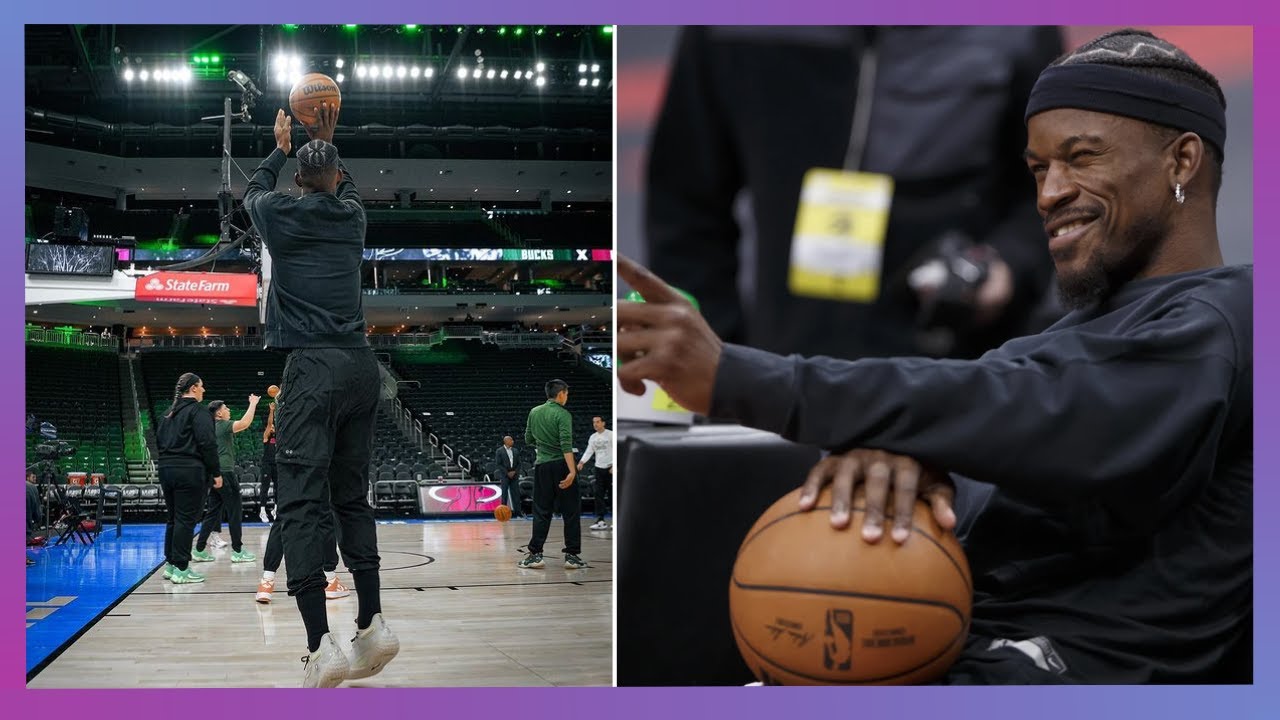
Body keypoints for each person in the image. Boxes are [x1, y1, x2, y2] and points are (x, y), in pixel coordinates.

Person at [617, 29, 1250, 684]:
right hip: (957, 654)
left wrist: (741, 376)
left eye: (1081, 158)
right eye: (1038, 169)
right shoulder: (1066, 338)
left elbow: (1032, 407)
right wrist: (918, 469)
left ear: (1181, 162)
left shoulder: (1234, 316)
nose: (1049, 193)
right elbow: (1011, 417)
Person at [646, 27, 1063, 361]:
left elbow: (1052, 186)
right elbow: (684, 202)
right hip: (780, 367)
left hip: (959, 363)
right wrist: (719, 356)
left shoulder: (1015, 28)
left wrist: (1007, 264)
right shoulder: (729, 26)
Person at [244, 102, 398, 687]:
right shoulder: (353, 216)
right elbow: (346, 182)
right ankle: (373, 621)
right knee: (351, 498)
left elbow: (253, 190)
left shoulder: (279, 212)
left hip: (310, 368)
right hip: (362, 367)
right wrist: (329, 141)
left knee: (302, 507)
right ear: (336, 179)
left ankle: (318, 643)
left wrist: (282, 148)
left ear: (300, 180)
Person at [155, 373, 223, 585]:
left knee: (173, 518)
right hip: (189, 471)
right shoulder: (198, 412)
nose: (204, 390)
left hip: (166, 469)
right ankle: (182, 568)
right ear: (193, 388)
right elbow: (207, 444)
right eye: (202, 386)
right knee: (185, 520)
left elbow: (159, 441)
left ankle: (171, 564)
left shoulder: (168, 413)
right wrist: (216, 472)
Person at [519, 379, 585, 570]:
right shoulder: (563, 414)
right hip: (563, 466)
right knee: (571, 512)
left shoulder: (534, 411)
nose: (567, 397)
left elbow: (528, 438)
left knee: (541, 511)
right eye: (567, 393)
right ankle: (572, 557)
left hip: (542, 467)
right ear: (561, 394)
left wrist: (543, 445)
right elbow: (566, 444)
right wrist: (572, 471)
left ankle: (535, 555)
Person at [190, 396, 261, 565]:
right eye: (226, 408)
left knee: (213, 512)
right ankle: (237, 551)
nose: (228, 410)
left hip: (213, 473)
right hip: (225, 473)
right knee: (235, 511)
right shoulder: (222, 426)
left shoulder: (208, 428)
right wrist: (252, 404)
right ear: (219, 414)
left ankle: (199, 550)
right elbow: (244, 423)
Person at [578, 416, 614, 530]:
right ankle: (600, 520)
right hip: (599, 468)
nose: (595, 424)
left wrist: (614, 465)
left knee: (613, 495)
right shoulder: (593, 437)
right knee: (599, 495)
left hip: (610, 468)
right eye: (594, 422)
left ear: (603, 423)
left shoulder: (611, 434)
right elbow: (589, 451)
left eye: (598, 422)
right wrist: (582, 462)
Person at [493, 435, 524, 518]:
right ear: (506, 441)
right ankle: (503, 514)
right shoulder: (499, 451)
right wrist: (507, 473)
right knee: (504, 495)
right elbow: (498, 464)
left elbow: (519, 463)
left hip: (514, 476)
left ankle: (518, 512)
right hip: (505, 476)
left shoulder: (516, 450)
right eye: (511, 440)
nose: (513, 441)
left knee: (516, 494)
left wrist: (515, 472)